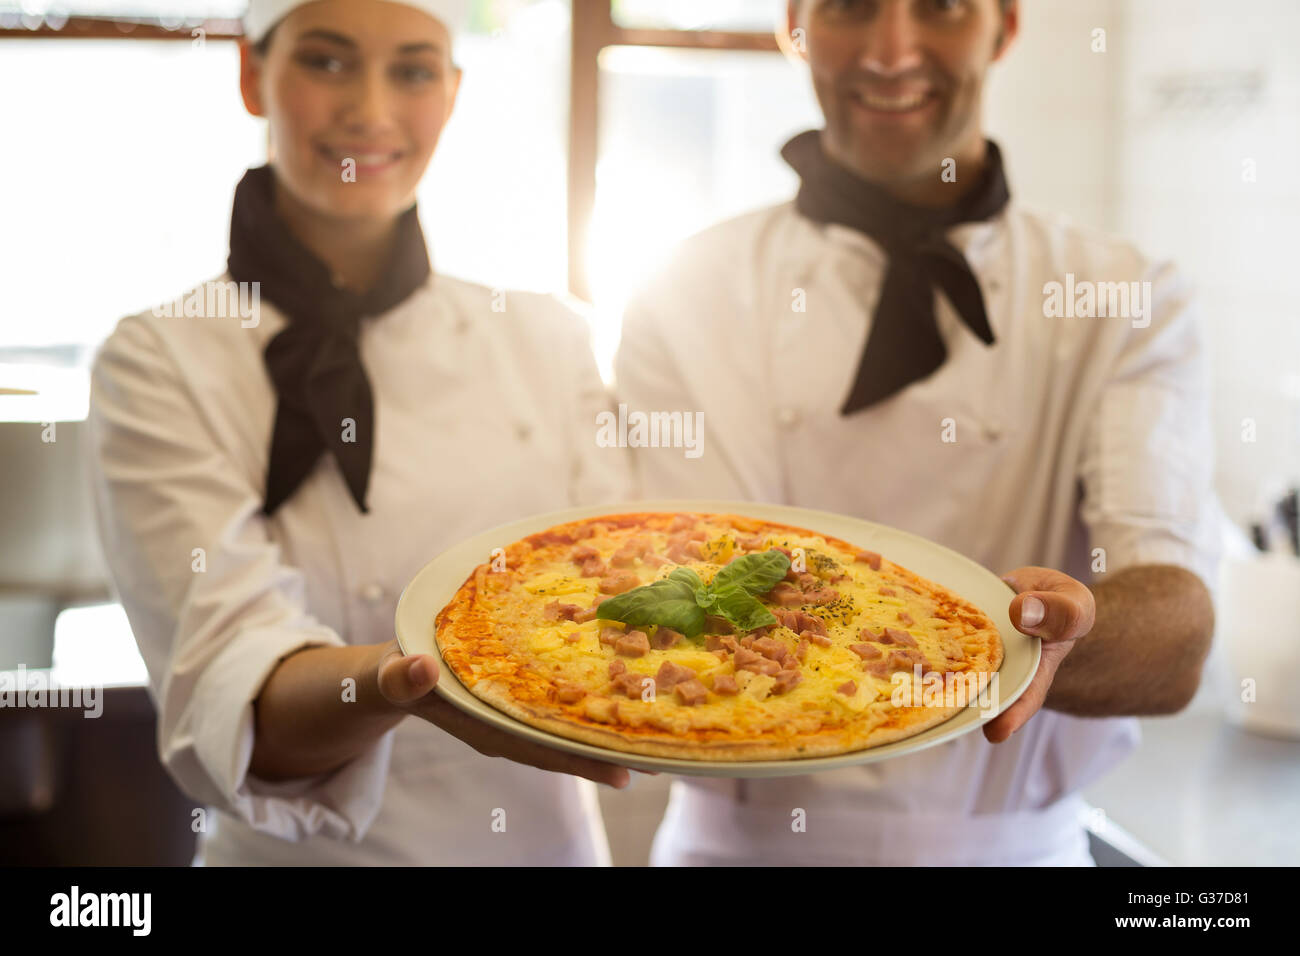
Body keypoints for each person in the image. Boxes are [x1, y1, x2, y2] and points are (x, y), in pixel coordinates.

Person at [615, 0, 1220, 866]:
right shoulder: (684, 287)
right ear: (797, 27)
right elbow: (686, 591)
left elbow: (1178, 641)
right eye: (852, 7)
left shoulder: (1123, 295)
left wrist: (1057, 642)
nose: (892, 52)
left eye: (938, 7)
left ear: (1004, 27)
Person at [85, 0, 634, 866]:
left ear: (450, 95)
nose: (369, 111)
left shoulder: (547, 337)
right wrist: (397, 686)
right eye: (327, 61)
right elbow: (234, 693)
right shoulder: (158, 359)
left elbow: (624, 589)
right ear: (250, 73)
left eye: (412, 69)